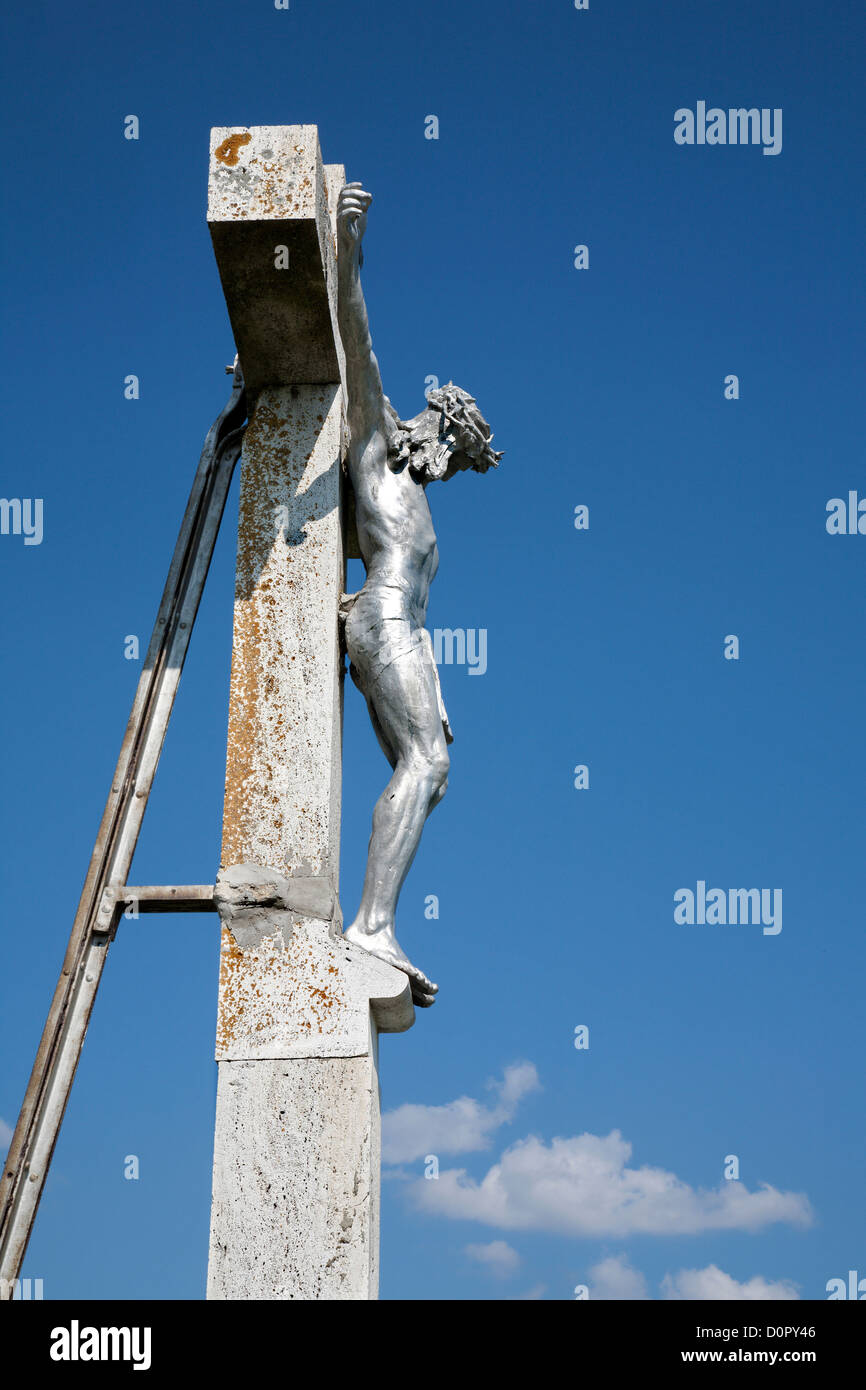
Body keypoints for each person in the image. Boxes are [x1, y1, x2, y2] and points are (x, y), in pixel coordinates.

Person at [336, 183, 501, 1006]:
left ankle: (373, 924)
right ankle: (369, 927)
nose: (453, 469)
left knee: (431, 768)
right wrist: (346, 244)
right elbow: (356, 345)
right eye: (459, 454)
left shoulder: (416, 492)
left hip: (404, 631)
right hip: (382, 617)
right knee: (428, 764)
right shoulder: (377, 450)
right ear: (438, 426)